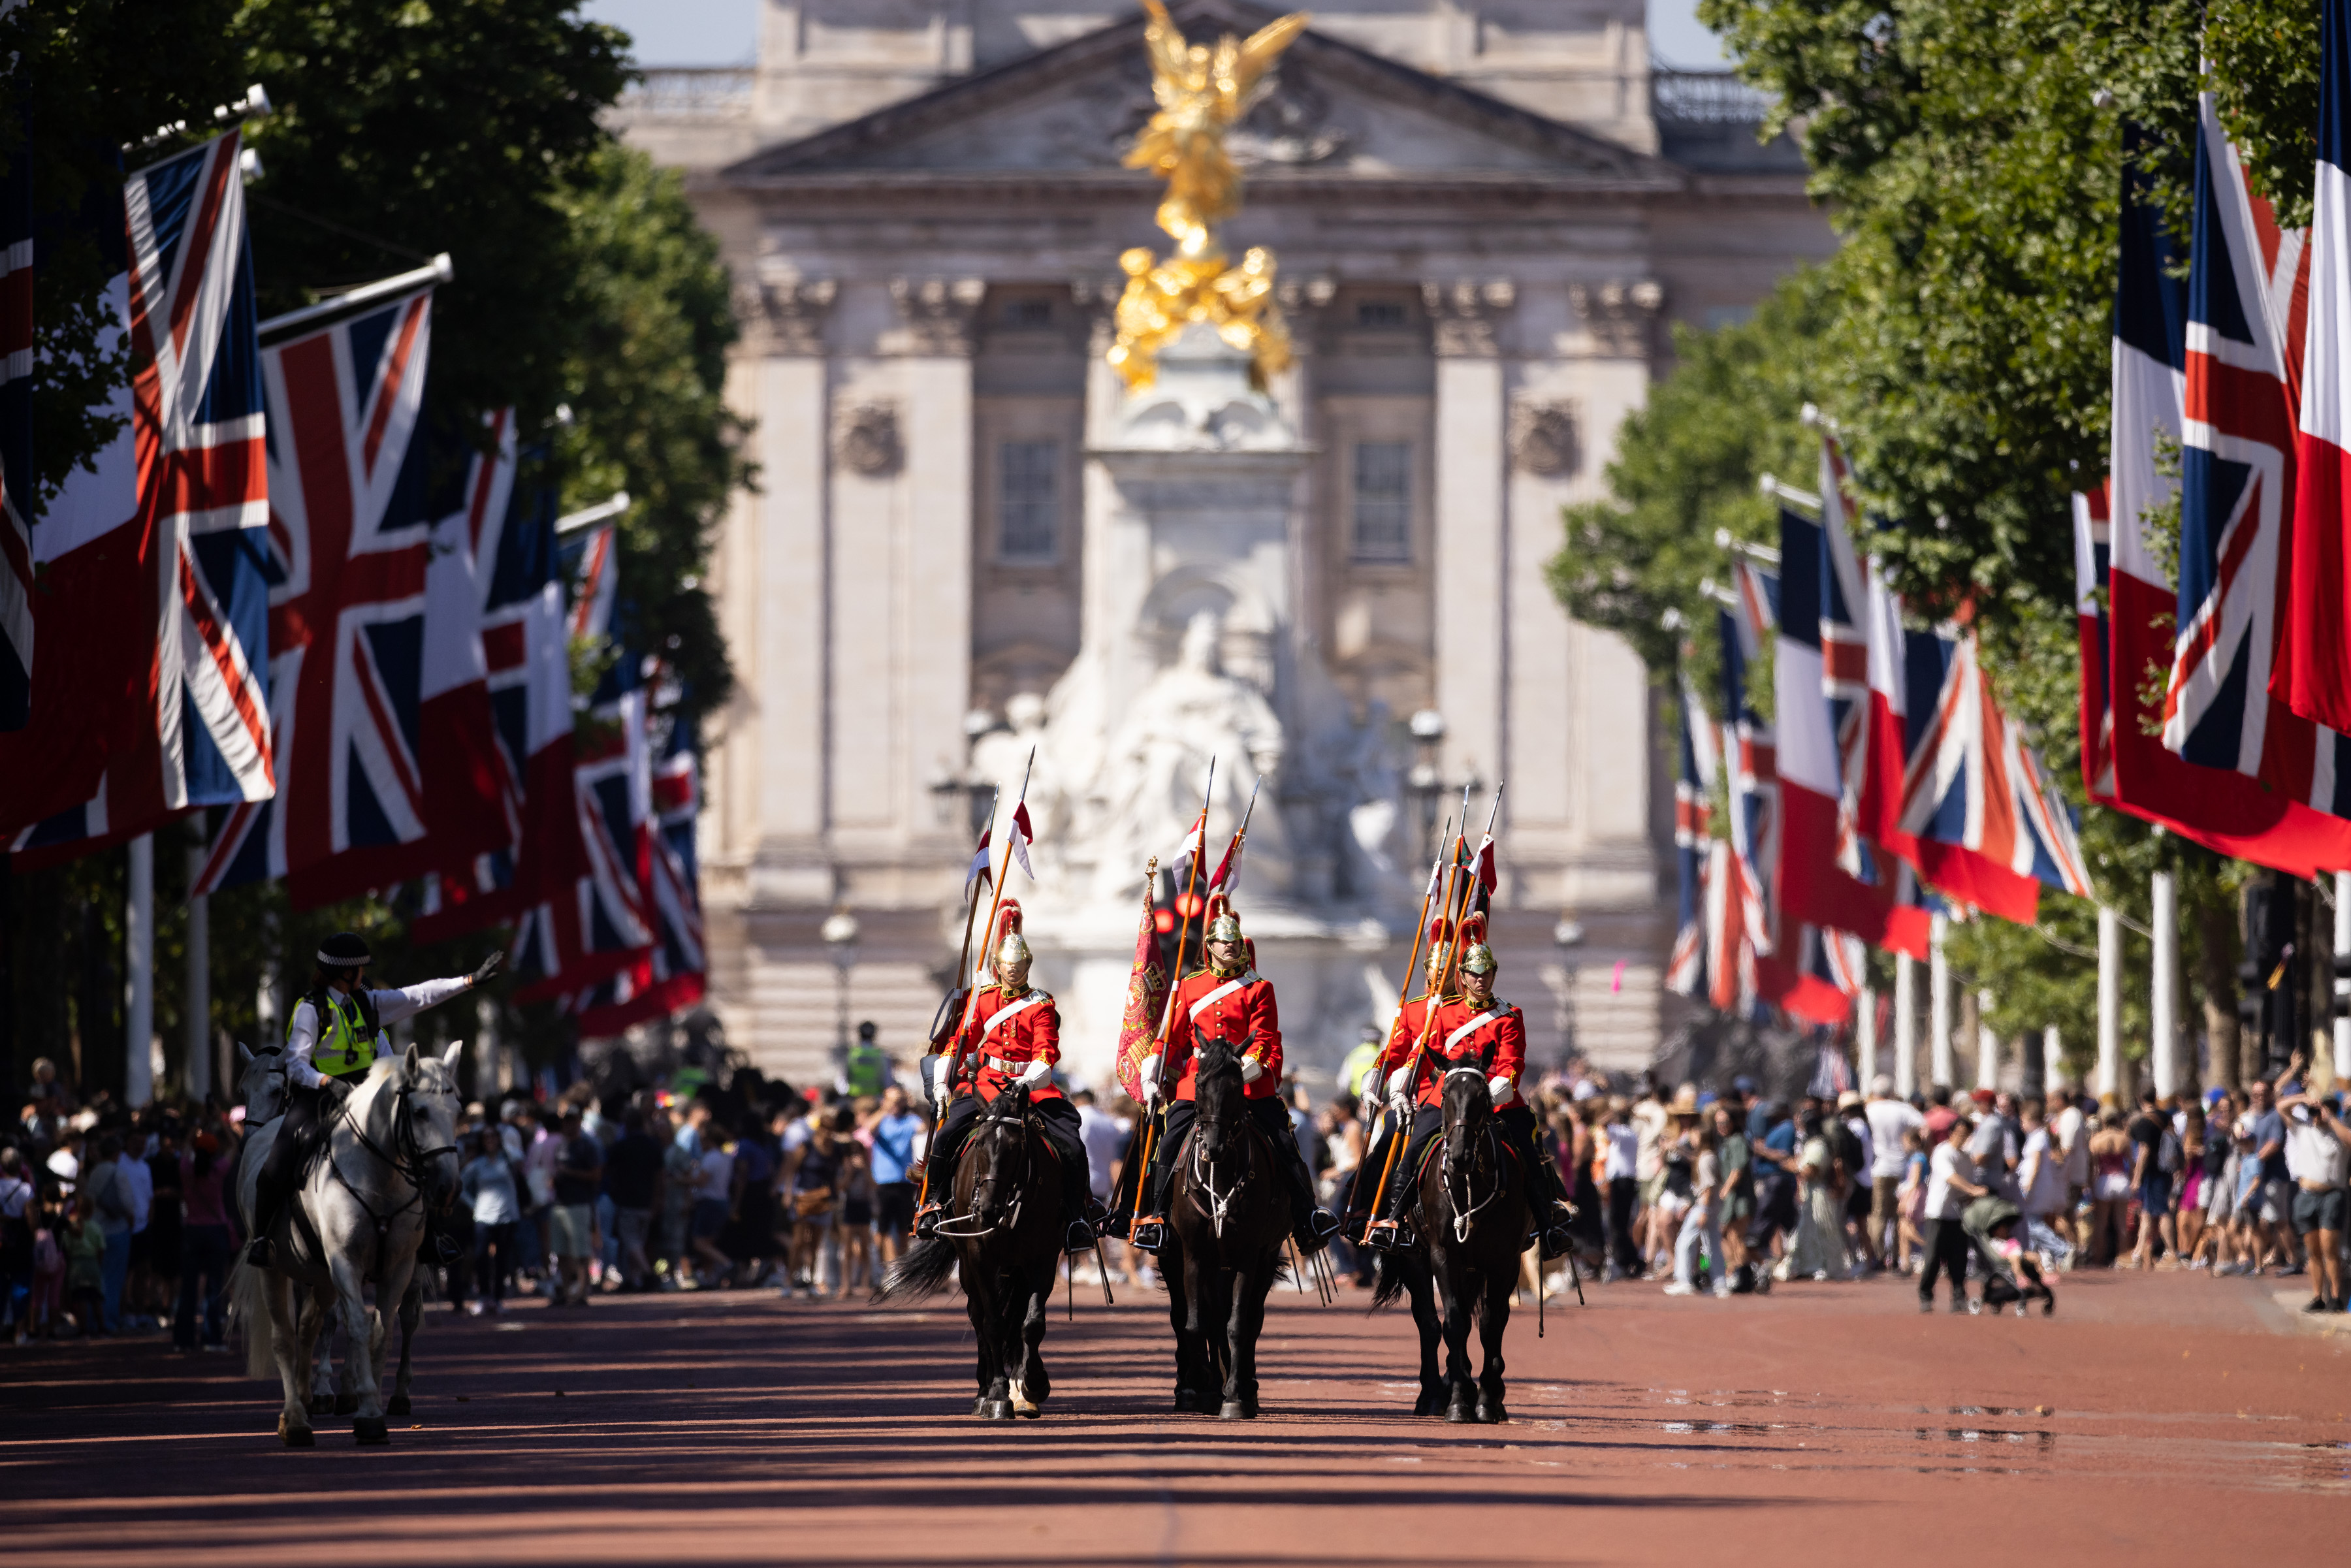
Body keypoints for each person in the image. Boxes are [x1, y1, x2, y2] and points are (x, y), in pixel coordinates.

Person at [245, 932, 497, 1267]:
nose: (365, 974)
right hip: (319, 1097)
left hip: (365, 1096)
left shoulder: (366, 1002)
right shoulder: (310, 1009)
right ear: (346, 973)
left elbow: (417, 996)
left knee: (413, 1149)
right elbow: (295, 1065)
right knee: (276, 1162)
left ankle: (428, 1237)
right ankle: (262, 1240)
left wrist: (467, 982)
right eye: (361, 969)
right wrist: (326, 1082)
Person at [1132, 893, 1339, 1256]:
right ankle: (1157, 1218)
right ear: (1209, 946)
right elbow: (1171, 1038)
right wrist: (1152, 1072)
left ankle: (1307, 1218)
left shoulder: (1259, 988)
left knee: (1285, 1143)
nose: (1230, 948)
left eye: (1235, 943)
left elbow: (1264, 1037)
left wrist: (1240, 1073)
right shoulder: (1190, 986)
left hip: (1248, 1085)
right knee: (1167, 1141)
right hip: (1197, 1085)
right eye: (1224, 943)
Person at [1361, 919, 1573, 1258]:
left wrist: (1489, 1095)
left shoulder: (1509, 1015)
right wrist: (1398, 1088)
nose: (1480, 980)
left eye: (1486, 973)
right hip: (1449, 1099)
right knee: (1414, 1147)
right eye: (1473, 974)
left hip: (1498, 1099)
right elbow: (1420, 1055)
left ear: (1493, 974)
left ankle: (1548, 1225)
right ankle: (1394, 1221)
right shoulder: (1444, 1013)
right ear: (1463, 976)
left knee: (1528, 1144)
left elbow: (1511, 1063)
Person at [914, 903, 1098, 1254]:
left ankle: (1078, 1216)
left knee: (1072, 1144)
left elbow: (1047, 1050)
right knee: (947, 1134)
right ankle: (933, 1205)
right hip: (985, 1084)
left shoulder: (1041, 1004)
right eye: (1007, 966)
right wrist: (942, 1081)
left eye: (1019, 966)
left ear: (1028, 966)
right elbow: (959, 1042)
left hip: (1030, 1086)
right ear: (998, 967)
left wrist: (1029, 1081)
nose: (1013, 971)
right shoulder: (981, 1000)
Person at [1345, 935, 1453, 1244]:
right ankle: (1367, 1213)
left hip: (1451, 1095)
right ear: (1428, 972)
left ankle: (1546, 1214)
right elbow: (1394, 1051)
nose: (1440, 976)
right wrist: (1377, 1076)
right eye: (1436, 970)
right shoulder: (1414, 1009)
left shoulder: (1468, 1009)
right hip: (1413, 1098)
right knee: (1386, 1141)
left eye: (1447, 970)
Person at [2277, 1090, 2350, 1312]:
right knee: (2313, 1250)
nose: (2317, 1115)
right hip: (2307, 1195)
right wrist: (2304, 1099)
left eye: (2321, 1111)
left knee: (2330, 1248)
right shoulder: (2303, 1129)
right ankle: (2318, 1296)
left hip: (2332, 1195)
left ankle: (2336, 1296)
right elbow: (2281, 1107)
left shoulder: (2339, 1133)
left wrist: (2331, 1117)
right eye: (2315, 1112)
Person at [1920, 1113, 1987, 1313]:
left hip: (1958, 1214)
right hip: (1938, 1213)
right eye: (1959, 1133)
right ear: (1951, 1133)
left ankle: (1959, 1297)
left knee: (1959, 1259)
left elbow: (1966, 1182)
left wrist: (1972, 1195)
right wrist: (1973, 1190)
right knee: (1933, 1258)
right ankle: (1925, 1295)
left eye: (1966, 1134)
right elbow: (1951, 1177)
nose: (1962, 1138)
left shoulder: (1966, 1158)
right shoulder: (1942, 1152)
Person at [173, 1130, 232, 1352]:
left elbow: (186, 1152)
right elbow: (233, 1150)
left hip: (192, 1231)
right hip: (215, 1231)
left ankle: (183, 1339)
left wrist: (193, 1135)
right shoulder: (218, 1171)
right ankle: (212, 1338)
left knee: (188, 1288)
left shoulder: (187, 1170)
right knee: (214, 1287)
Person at [460, 1128, 522, 1315]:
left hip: (507, 1216)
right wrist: (474, 1204)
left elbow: (520, 1159)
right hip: (483, 1216)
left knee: (502, 1259)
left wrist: (506, 1145)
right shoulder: (477, 1164)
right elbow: (460, 1184)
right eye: (486, 1138)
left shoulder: (508, 1160)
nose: (490, 1141)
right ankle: (483, 1297)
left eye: (494, 1137)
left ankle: (498, 1299)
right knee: (481, 1257)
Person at [604, 1108, 664, 1292]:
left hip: (628, 1201)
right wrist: (659, 1200)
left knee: (632, 1242)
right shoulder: (653, 1145)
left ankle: (647, 1274)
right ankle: (631, 1279)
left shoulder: (622, 1146)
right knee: (637, 1241)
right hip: (647, 1201)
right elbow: (660, 1177)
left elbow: (608, 1171)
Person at [865, 1085, 925, 1267]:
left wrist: (912, 1104)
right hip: (882, 1182)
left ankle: (901, 1266)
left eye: (899, 1101)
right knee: (882, 1228)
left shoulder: (909, 1120)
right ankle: (882, 1266)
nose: (896, 1105)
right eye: (893, 1101)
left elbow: (924, 1126)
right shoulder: (882, 1120)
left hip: (904, 1182)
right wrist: (885, 1107)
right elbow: (868, 1130)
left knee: (903, 1228)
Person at [1864, 1076, 1922, 1267]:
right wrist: (1915, 1146)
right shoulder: (1901, 1109)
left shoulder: (1869, 1110)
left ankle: (1879, 1256)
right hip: (1900, 1166)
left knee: (1879, 1214)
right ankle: (1898, 1256)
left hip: (1878, 1167)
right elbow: (1924, 1126)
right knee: (1899, 1215)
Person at [547, 1109, 602, 1306]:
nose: (569, 1125)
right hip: (560, 1203)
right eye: (566, 1121)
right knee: (561, 1251)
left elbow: (596, 1175)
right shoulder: (560, 1145)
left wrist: (570, 1173)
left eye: (573, 1121)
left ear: (579, 1122)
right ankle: (566, 1291)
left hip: (580, 1203)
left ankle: (582, 1291)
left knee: (581, 1251)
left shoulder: (587, 1146)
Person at [1665, 1121, 1725, 1297]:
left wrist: (1703, 1211)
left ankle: (1683, 1280)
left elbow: (1708, 1188)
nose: (1692, 1138)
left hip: (1705, 1207)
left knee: (1684, 1241)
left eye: (1695, 1135)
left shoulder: (1705, 1158)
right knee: (1713, 1243)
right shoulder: (1708, 1156)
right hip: (1709, 1206)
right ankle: (1719, 1282)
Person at [2125, 1089, 2175, 1269]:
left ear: (2139, 1098)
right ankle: (2138, 1253)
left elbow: (2144, 1150)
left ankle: (2171, 1252)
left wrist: (2136, 1177)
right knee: (2147, 1213)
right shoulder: (2166, 1116)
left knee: (2161, 1212)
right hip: (2167, 1169)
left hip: (2153, 1173)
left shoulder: (2144, 1122)